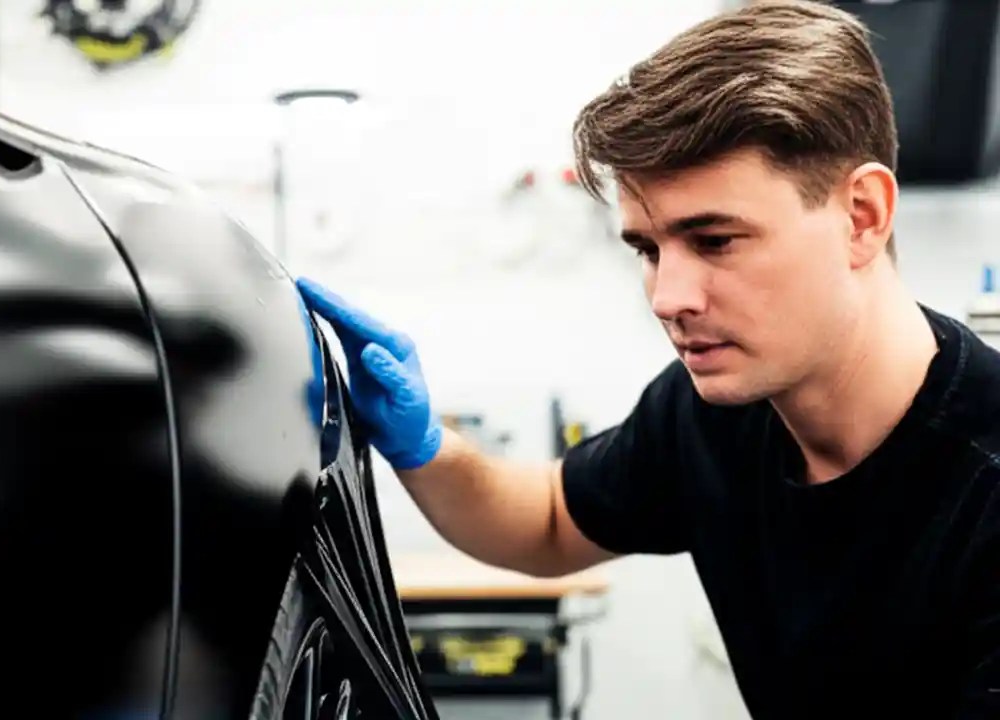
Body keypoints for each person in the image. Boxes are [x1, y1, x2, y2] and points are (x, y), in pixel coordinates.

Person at [295, 1, 1000, 718]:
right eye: (648, 249)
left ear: (862, 216)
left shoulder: (986, 489)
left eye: (716, 240)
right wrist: (423, 448)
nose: (668, 297)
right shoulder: (711, 415)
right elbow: (545, 522)